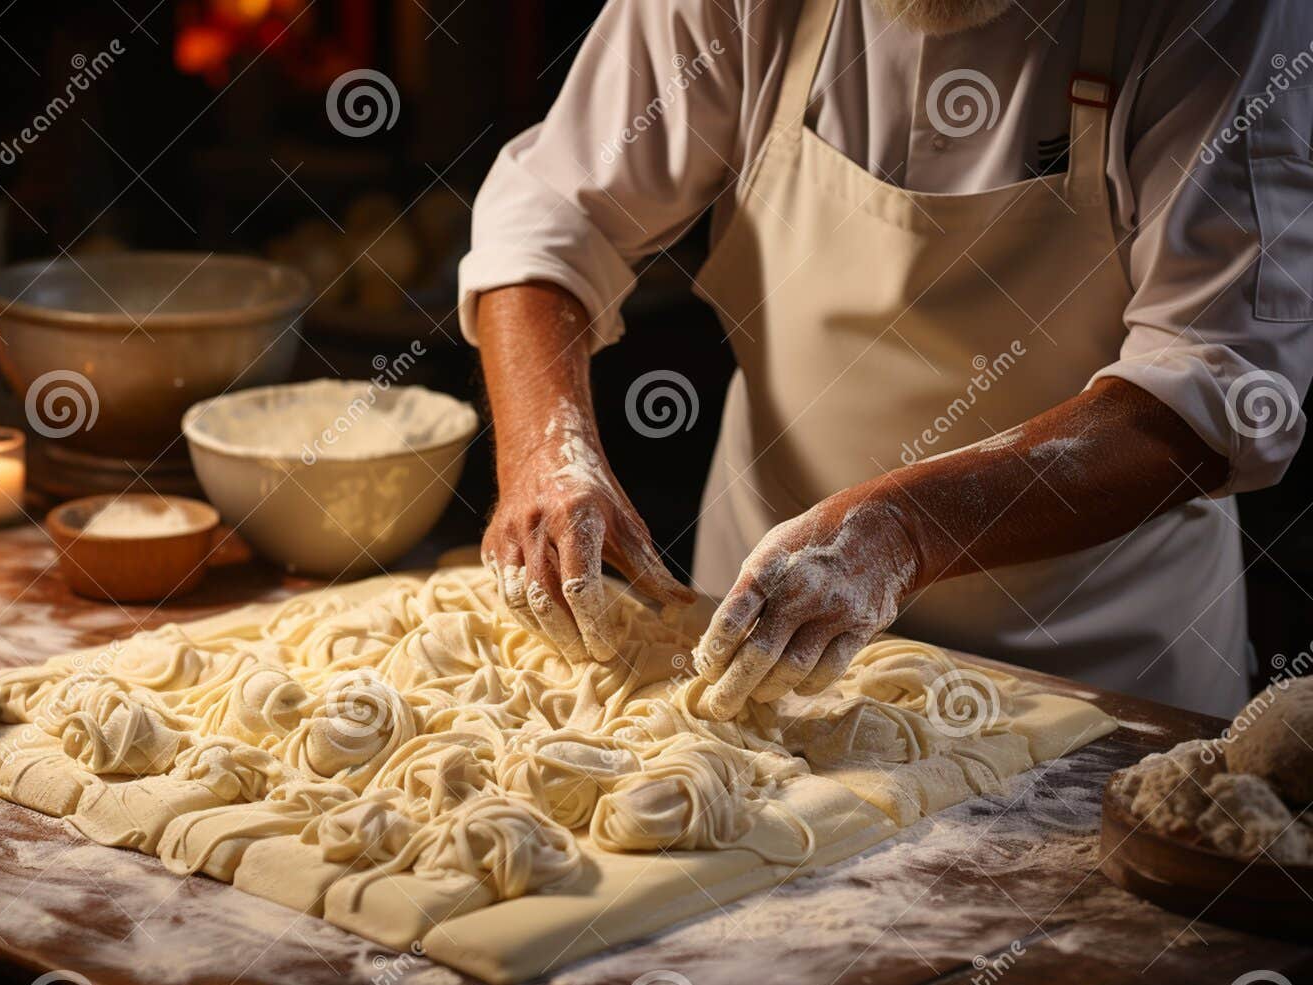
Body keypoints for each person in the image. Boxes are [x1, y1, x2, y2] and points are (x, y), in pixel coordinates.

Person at [463, 0, 1313, 718]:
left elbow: (1221, 378)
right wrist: (546, 447)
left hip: (1090, 668)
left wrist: (904, 529)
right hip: (761, 643)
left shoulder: (1218, 17)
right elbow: (557, 212)